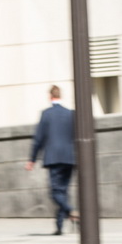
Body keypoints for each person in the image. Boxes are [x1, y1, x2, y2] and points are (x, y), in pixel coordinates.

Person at [25, 85, 77, 235]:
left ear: (50, 96)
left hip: (53, 158)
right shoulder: (70, 114)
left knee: (55, 193)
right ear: (61, 95)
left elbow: (38, 139)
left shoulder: (46, 114)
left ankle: (70, 211)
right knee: (63, 191)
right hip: (69, 157)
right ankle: (59, 227)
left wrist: (32, 159)